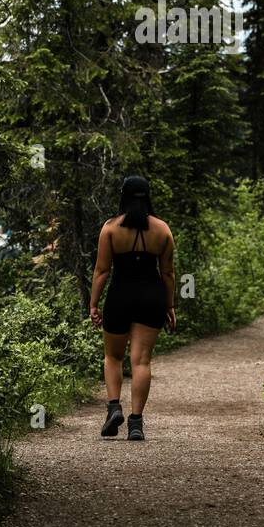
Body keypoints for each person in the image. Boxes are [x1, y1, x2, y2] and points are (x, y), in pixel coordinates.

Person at [88, 176, 176, 441]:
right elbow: (168, 272)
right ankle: (136, 424)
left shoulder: (111, 228)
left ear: (124, 196)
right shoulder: (162, 230)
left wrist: (93, 303)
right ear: (148, 196)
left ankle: (114, 407)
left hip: (120, 296)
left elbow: (102, 271)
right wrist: (169, 305)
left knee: (113, 357)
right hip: (152, 297)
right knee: (141, 360)